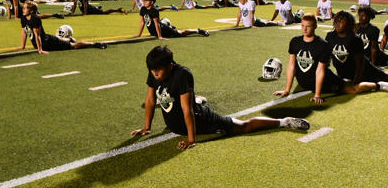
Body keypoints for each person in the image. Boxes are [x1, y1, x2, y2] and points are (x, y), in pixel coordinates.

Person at [131, 45, 309, 150]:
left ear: (170, 66)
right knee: (179, 98)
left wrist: (192, 140)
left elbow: (188, 111)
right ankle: (197, 98)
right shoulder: (155, 73)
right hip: (177, 124)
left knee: (242, 126)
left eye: (158, 70)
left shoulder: (182, 74)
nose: (154, 74)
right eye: (152, 70)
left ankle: (284, 122)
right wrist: (146, 127)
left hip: (202, 120)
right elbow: (150, 100)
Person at [273, 14, 388, 104]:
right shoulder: (295, 42)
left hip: (349, 72)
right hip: (319, 79)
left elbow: (321, 69)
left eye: (308, 26)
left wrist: (317, 94)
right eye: (302, 26)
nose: (304, 29)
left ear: (315, 26)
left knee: (353, 89)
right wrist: (287, 89)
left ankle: (380, 85)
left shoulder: (324, 44)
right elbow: (292, 66)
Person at [327, 11, 388, 85]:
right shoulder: (330, 36)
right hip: (346, 72)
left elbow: (360, 63)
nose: (337, 23)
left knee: (386, 78)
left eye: (340, 21)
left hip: (364, 68)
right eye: (336, 21)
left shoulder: (354, 39)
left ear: (349, 24)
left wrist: (356, 82)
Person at [20, 2, 106, 52]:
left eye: (25, 8)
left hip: (47, 42)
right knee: (62, 40)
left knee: (73, 46)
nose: (23, 10)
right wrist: (22, 46)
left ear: (31, 11)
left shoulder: (35, 19)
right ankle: (68, 38)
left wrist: (40, 49)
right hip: (45, 41)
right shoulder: (24, 18)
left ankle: (94, 44)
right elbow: (24, 32)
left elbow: (37, 35)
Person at [134, 0, 209, 40]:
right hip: (154, 32)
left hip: (162, 29)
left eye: (146, 1)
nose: (144, 2)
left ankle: (198, 30)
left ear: (152, 2)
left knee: (180, 34)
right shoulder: (143, 9)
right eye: (144, 1)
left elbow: (157, 24)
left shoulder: (154, 10)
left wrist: (160, 36)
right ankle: (170, 27)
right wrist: (138, 34)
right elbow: (142, 22)